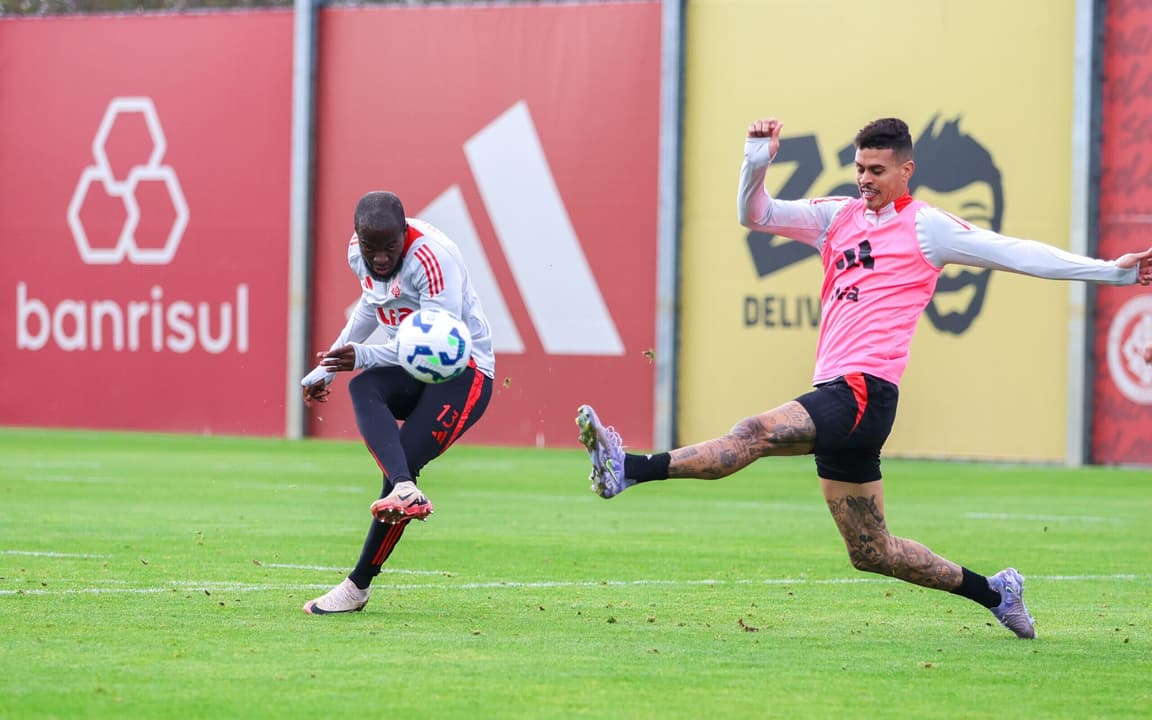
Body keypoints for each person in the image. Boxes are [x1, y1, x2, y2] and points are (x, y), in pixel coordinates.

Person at [576, 117, 1152, 639]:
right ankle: (997, 592)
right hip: (843, 396)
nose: (866, 180)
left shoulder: (928, 228)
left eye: (877, 170)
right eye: (859, 169)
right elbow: (755, 214)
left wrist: (1110, 273)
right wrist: (757, 161)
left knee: (754, 430)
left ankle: (626, 469)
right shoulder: (837, 217)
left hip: (863, 391)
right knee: (873, 552)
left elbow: (1016, 254)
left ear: (907, 169)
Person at [300, 190, 495, 615]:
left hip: (464, 371)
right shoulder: (358, 253)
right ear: (358, 238)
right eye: (373, 248)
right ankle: (405, 489)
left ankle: (357, 587)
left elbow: (437, 348)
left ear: (405, 234)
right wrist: (329, 366)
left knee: (402, 459)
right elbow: (371, 306)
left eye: (391, 248)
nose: (382, 258)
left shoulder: (432, 260)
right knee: (362, 388)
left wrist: (363, 355)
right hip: (419, 364)